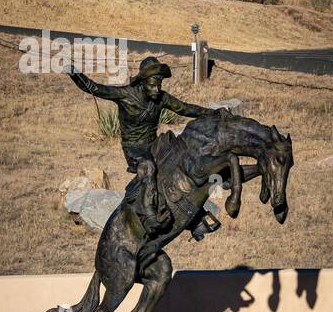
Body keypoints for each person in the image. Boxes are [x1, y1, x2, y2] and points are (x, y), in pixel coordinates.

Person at [67, 56, 220, 240]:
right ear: (142, 81)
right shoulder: (125, 94)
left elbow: (185, 109)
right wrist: (74, 73)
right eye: (153, 84)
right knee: (149, 167)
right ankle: (150, 215)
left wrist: (213, 113)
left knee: (182, 159)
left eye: (159, 85)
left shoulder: (161, 98)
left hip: (154, 145)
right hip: (134, 150)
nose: (157, 89)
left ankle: (195, 219)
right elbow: (95, 88)